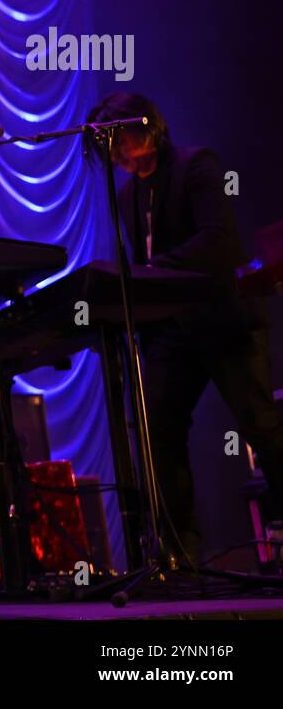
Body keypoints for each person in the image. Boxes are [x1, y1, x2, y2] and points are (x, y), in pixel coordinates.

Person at [87, 92, 282, 566]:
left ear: (147, 127)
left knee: (262, 425)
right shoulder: (130, 194)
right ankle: (179, 556)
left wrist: (150, 272)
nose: (114, 152)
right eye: (106, 146)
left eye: (120, 138)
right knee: (159, 433)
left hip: (221, 319)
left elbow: (218, 244)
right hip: (171, 332)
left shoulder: (198, 166)